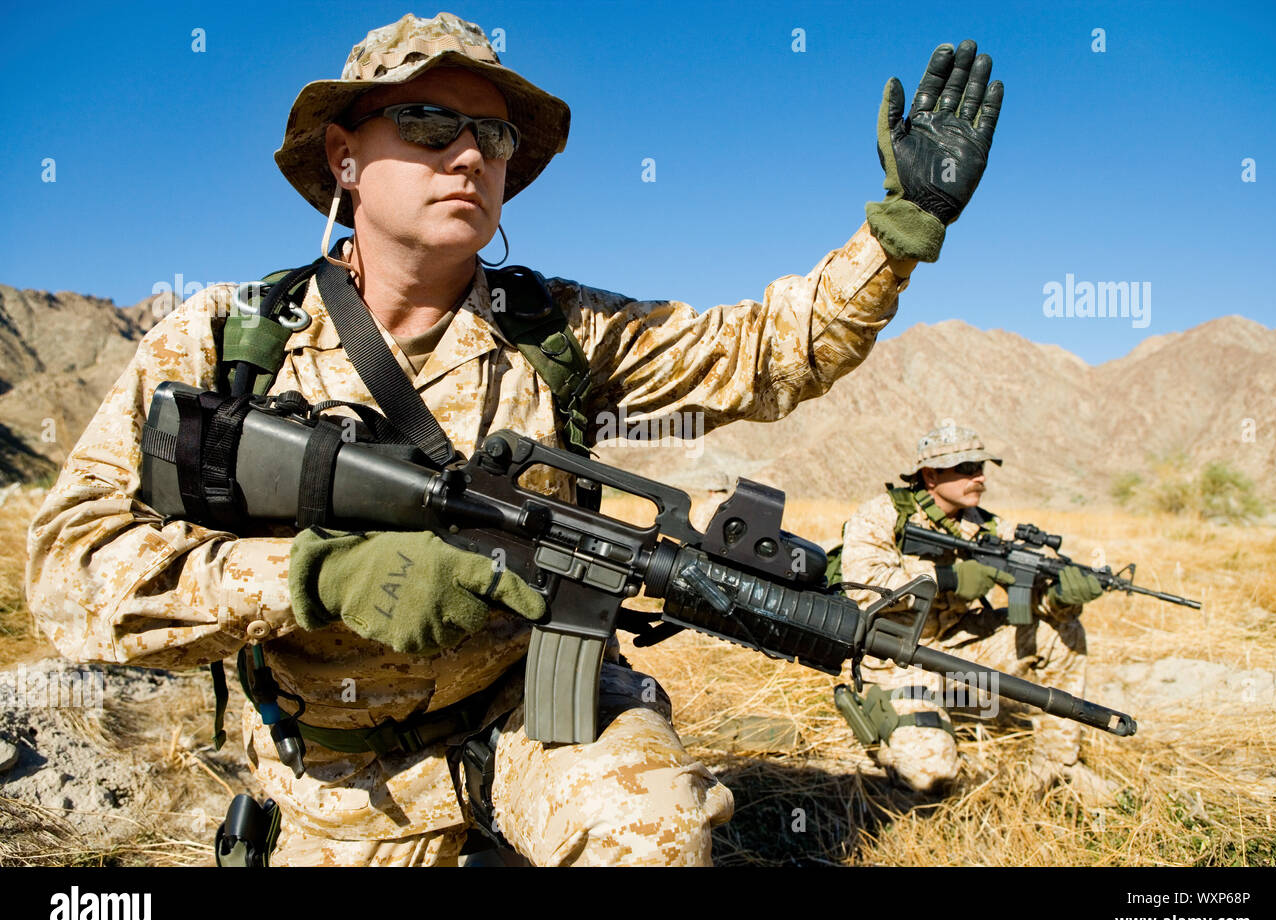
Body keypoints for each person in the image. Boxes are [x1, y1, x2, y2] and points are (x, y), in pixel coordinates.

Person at [26, 12, 1003, 865]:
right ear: (343, 157)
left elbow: (767, 352)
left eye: (490, 133)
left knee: (652, 831)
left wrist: (902, 227)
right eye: (425, 120)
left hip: (529, 706)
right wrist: (310, 577)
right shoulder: (227, 338)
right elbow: (71, 567)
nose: (469, 154)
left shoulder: (560, 332)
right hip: (332, 763)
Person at [836, 424, 1117, 804]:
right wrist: (948, 579)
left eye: (980, 466)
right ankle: (887, 728)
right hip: (892, 660)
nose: (979, 476)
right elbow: (861, 588)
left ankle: (1058, 764)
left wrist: (1064, 597)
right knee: (930, 780)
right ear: (930, 475)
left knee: (1062, 633)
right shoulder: (882, 514)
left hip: (956, 651)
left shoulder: (989, 527)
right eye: (965, 468)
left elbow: (1040, 599)